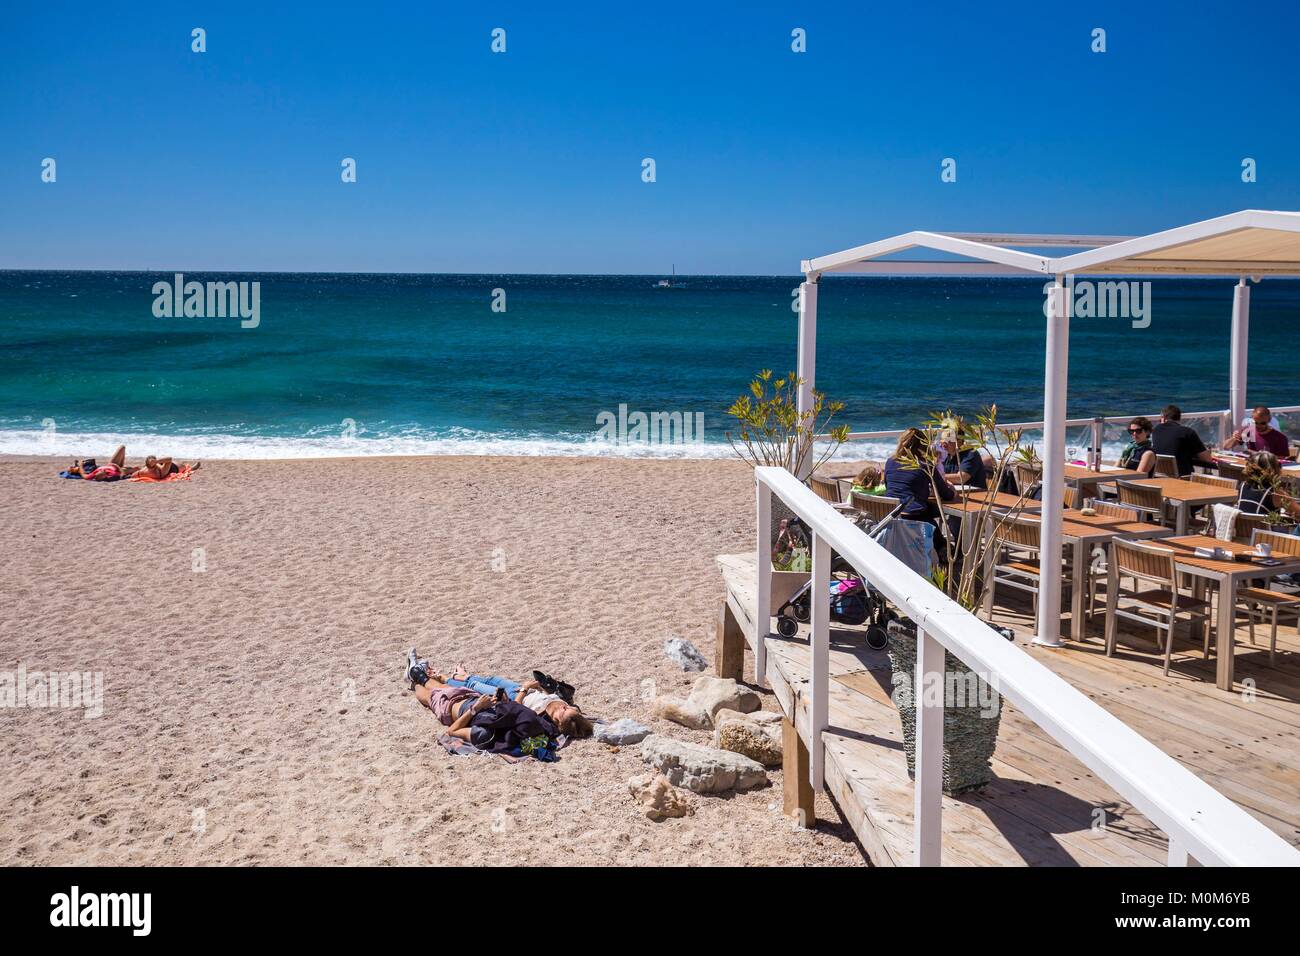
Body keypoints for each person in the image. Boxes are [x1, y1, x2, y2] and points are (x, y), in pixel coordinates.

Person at [407, 652, 592, 739]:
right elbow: (578, 719)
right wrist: (542, 688)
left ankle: (440, 677)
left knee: (474, 686)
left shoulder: (541, 719)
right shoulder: (570, 710)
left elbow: (517, 709)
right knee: (491, 679)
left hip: (513, 697)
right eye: (567, 708)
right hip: (518, 690)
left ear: (558, 723)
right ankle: (453, 676)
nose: (563, 707)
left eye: (562, 713)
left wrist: (524, 690)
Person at [1151, 405, 1213, 477]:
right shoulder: (1187, 432)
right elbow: (1207, 459)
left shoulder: (1155, 430)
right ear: (1179, 418)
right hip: (1183, 477)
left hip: (1160, 476)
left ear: (1163, 418)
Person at [1237, 452, 1300, 519]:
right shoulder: (1275, 493)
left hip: (1243, 528)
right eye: (1279, 465)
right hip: (1267, 529)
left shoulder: (1243, 486)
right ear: (1274, 469)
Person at [1226, 406, 1290, 459]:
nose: (1259, 426)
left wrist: (1256, 454)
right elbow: (1226, 446)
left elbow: (1281, 458)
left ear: (1269, 420)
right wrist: (1234, 438)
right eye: (1256, 422)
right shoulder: (1249, 431)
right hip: (1251, 466)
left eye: (1263, 423)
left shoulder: (1279, 437)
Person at [940, 423, 988, 490]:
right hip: (955, 491)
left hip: (974, 493)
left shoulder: (971, 454)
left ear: (959, 441)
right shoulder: (946, 455)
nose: (943, 444)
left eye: (948, 440)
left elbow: (961, 478)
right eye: (942, 440)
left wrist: (937, 477)